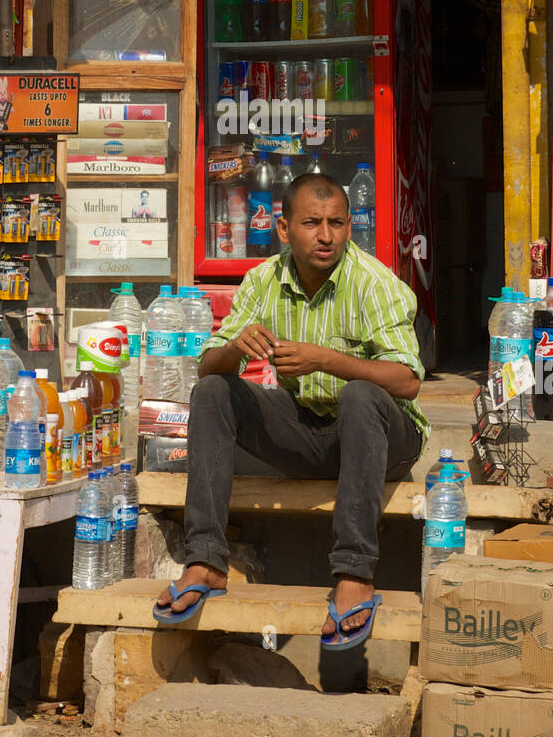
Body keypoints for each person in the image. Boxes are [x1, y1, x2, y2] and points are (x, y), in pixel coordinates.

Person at [153, 171, 429, 649]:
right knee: (214, 392)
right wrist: (235, 347)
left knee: (360, 395)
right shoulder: (263, 280)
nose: (326, 235)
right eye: (311, 223)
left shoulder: (373, 283)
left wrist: (327, 360)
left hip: (384, 440)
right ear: (284, 230)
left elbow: (408, 381)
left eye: (337, 223)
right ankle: (205, 560)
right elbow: (207, 367)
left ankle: (355, 574)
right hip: (310, 432)